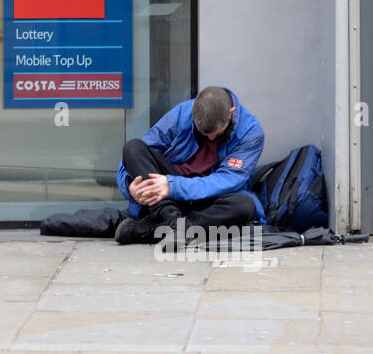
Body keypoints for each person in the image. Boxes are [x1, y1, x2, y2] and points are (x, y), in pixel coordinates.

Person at [112, 85, 265, 246]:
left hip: (208, 200)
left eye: (217, 133)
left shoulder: (251, 132)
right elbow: (135, 157)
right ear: (193, 109)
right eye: (204, 133)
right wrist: (130, 186)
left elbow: (229, 180)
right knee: (133, 147)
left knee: (244, 205)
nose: (211, 139)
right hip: (168, 199)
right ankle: (172, 219)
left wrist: (174, 186)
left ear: (231, 113)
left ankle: (148, 230)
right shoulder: (181, 113)